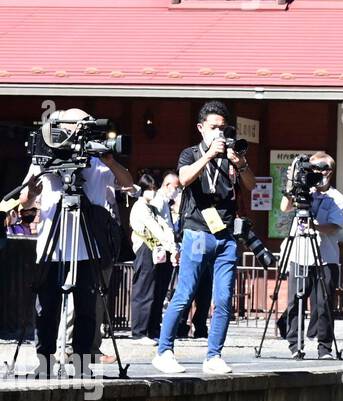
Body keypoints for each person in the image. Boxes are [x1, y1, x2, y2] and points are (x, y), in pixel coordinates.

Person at [13, 108, 132, 376]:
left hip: (87, 247)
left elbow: (128, 183)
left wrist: (110, 159)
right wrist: (31, 192)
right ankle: (44, 363)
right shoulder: (45, 158)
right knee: (46, 309)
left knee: (87, 310)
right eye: (79, 125)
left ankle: (81, 366)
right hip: (51, 249)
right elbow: (25, 201)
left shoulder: (98, 161)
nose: (83, 130)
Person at [153, 100, 253, 375]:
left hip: (226, 235)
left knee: (223, 298)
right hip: (197, 232)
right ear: (201, 128)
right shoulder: (191, 153)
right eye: (213, 128)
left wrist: (240, 164)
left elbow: (252, 185)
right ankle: (164, 351)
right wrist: (209, 155)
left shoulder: (231, 154)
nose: (219, 133)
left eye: (223, 128)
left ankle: (214, 355)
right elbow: (183, 179)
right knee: (184, 294)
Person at [279, 150, 343, 360]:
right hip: (300, 253)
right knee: (295, 301)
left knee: (323, 304)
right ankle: (294, 345)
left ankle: (324, 348)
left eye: (323, 169)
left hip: (325, 256)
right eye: (314, 169)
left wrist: (315, 226)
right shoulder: (303, 190)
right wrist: (293, 183)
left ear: (331, 171)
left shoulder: (336, 197)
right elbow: (284, 208)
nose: (318, 173)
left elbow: (334, 227)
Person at [128, 170, 179, 340]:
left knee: (156, 292)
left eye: (154, 188)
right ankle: (139, 332)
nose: (153, 191)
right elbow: (154, 228)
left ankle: (152, 329)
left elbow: (164, 225)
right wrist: (170, 245)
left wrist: (172, 246)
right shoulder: (140, 206)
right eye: (150, 188)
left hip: (158, 249)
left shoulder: (154, 206)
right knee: (144, 291)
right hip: (146, 248)